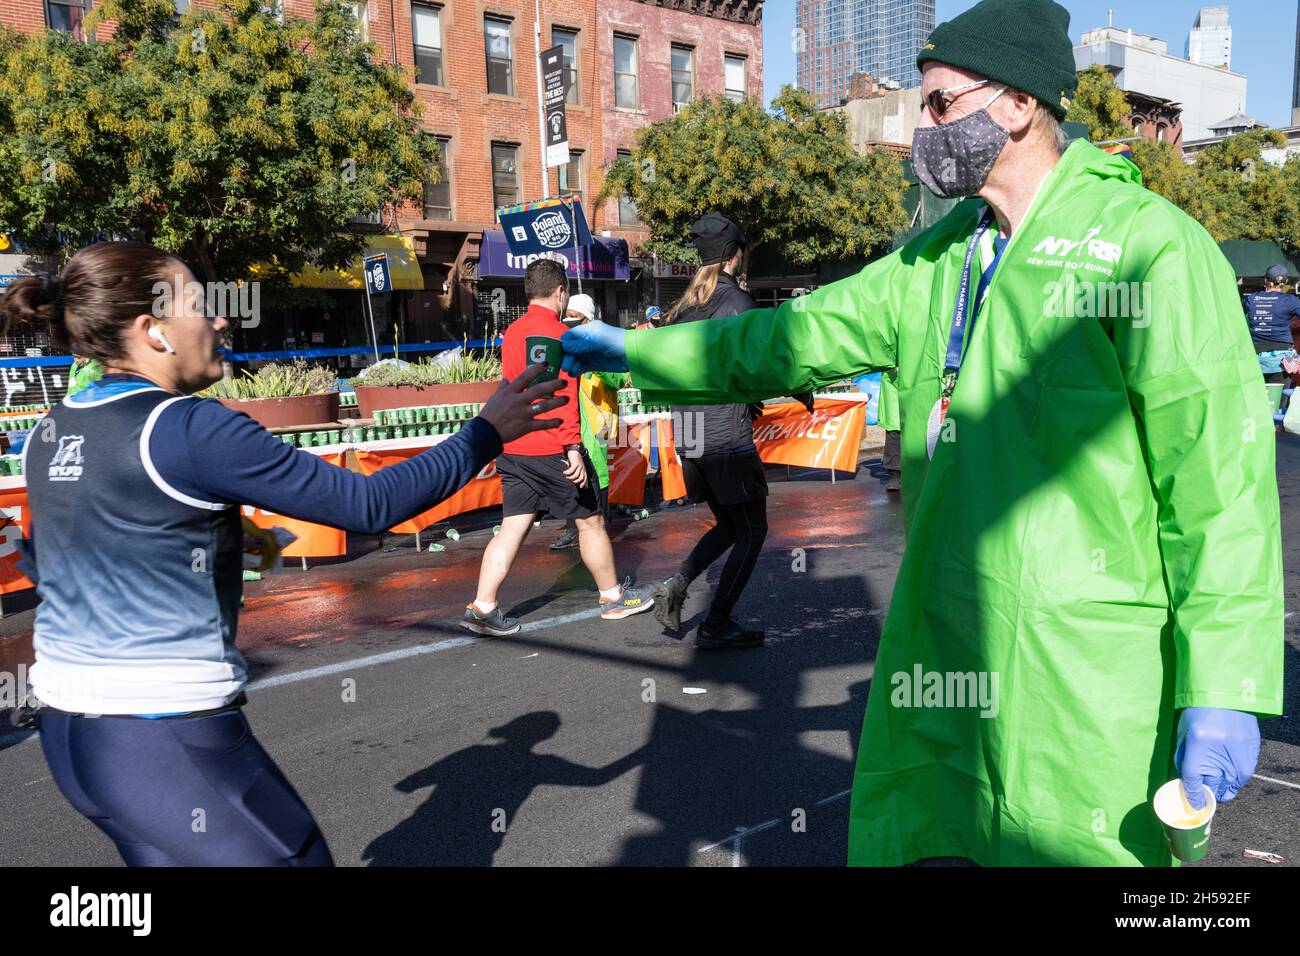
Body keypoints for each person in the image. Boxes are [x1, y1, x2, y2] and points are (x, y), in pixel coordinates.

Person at [562, 0, 1282, 866]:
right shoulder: (938, 260)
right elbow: (790, 338)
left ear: (1017, 104)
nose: (922, 129)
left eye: (939, 105)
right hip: (948, 644)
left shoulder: (1147, 250)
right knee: (947, 833)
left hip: (1089, 673)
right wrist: (642, 352)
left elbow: (1218, 487)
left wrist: (1225, 680)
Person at [1, 240, 566, 867]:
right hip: (164, 737)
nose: (221, 319)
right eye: (200, 305)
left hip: (73, 739)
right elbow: (370, 505)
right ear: (152, 331)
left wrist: (236, 547)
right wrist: (485, 432)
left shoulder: (54, 429)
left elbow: (64, 550)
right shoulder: (191, 427)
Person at [462, 259, 653, 637]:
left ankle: (483, 606)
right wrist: (572, 448)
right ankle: (612, 597)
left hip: (514, 445)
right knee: (591, 521)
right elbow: (562, 396)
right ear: (561, 292)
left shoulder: (513, 333)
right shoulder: (556, 333)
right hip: (552, 447)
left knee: (512, 527)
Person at [649, 214, 767, 650]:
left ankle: (676, 587)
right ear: (736, 256)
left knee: (729, 525)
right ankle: (716, 624)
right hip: (726, 439)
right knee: (752, 531)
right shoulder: (737, 303)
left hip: (691, 436)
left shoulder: (681, 310)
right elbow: (760, 366)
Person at [550, 293, 628, 551]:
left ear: (587, 319)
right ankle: (574, 528)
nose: (569, 320)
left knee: (597, 473)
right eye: (567, 315)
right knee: (574, 473)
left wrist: (594, 362)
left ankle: (600, 522)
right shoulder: (566, 344)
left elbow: (619, 380)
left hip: (598, 423)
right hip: (574, 421)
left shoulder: (598, 347)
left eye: (575, 317)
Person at [1243, 264, 1300, 384]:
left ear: (1265, 280)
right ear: (1284, 283)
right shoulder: (1290, 301)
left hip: (1255, 362)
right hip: (1281, 363)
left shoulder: (1250, 300)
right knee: (1279, 400)